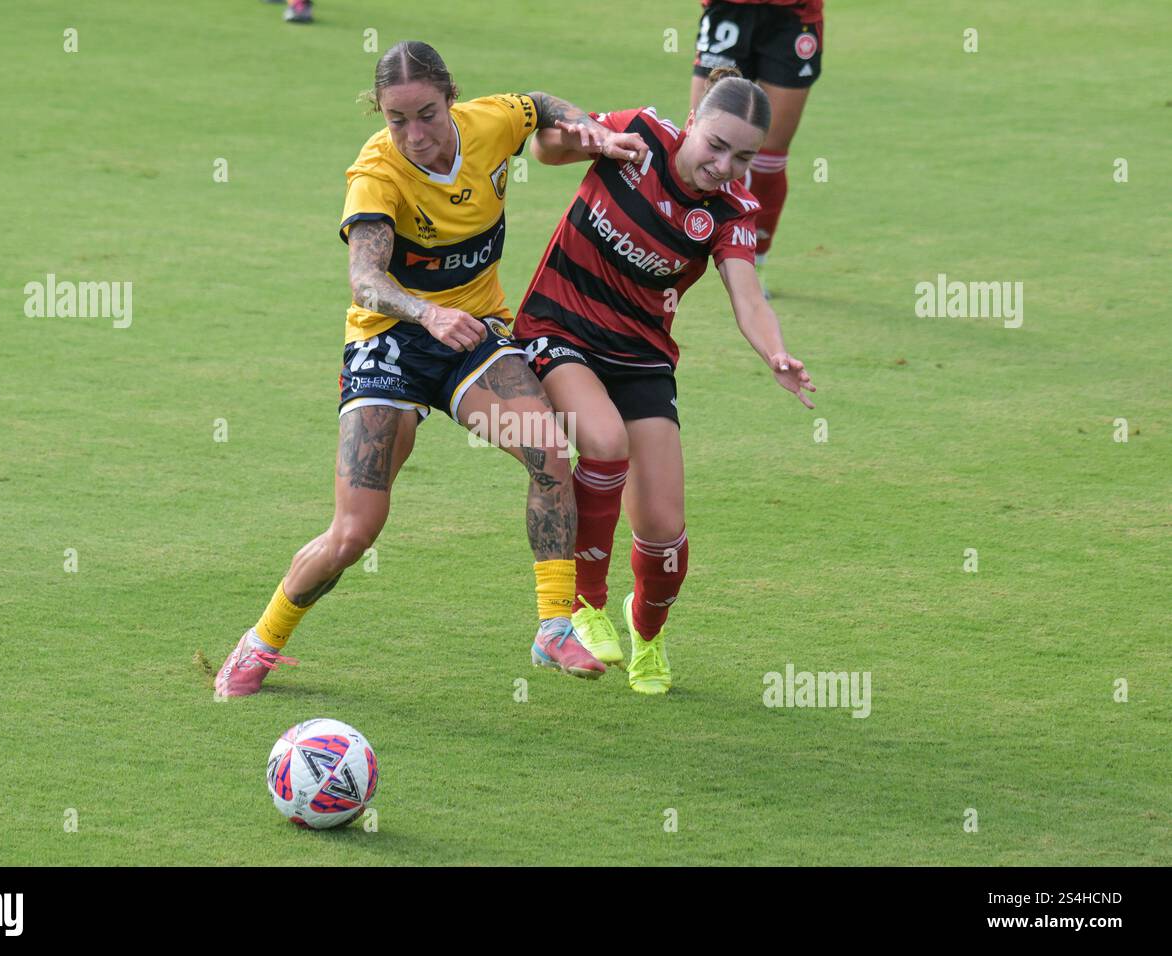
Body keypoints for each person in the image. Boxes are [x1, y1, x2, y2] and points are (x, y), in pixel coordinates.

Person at [215, 41, 651, 698]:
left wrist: (585, 127)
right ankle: (262, 641)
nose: (414, 135)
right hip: (389, 345)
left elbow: (537, 107)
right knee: (356, 530)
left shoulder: (488, 124)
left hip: (471, 335)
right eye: (397, 120)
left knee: (546, 449)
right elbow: (364, 280)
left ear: (451, 98)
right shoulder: (377, 173)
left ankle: (553, 625)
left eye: (425, 114)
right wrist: (425, 313)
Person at [513, 68, 817, 694]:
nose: (725, 164)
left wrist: (775, 353)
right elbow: (545, 148)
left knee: (663, 531)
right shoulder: (639, 136)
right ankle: (586, 604)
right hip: (558, 329)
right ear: (693, 123)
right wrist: (587, 138)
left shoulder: (733, 211)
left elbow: (748, 296)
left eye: (744, 156)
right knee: (602, 442)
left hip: (642, 358)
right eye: (716, 144)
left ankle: (646, 633)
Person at [691, 0, 824, 295]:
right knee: (700, 139)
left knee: (770, 156)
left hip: (794, 16)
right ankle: (674, 246)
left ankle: (754, 262)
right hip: (729, 10)